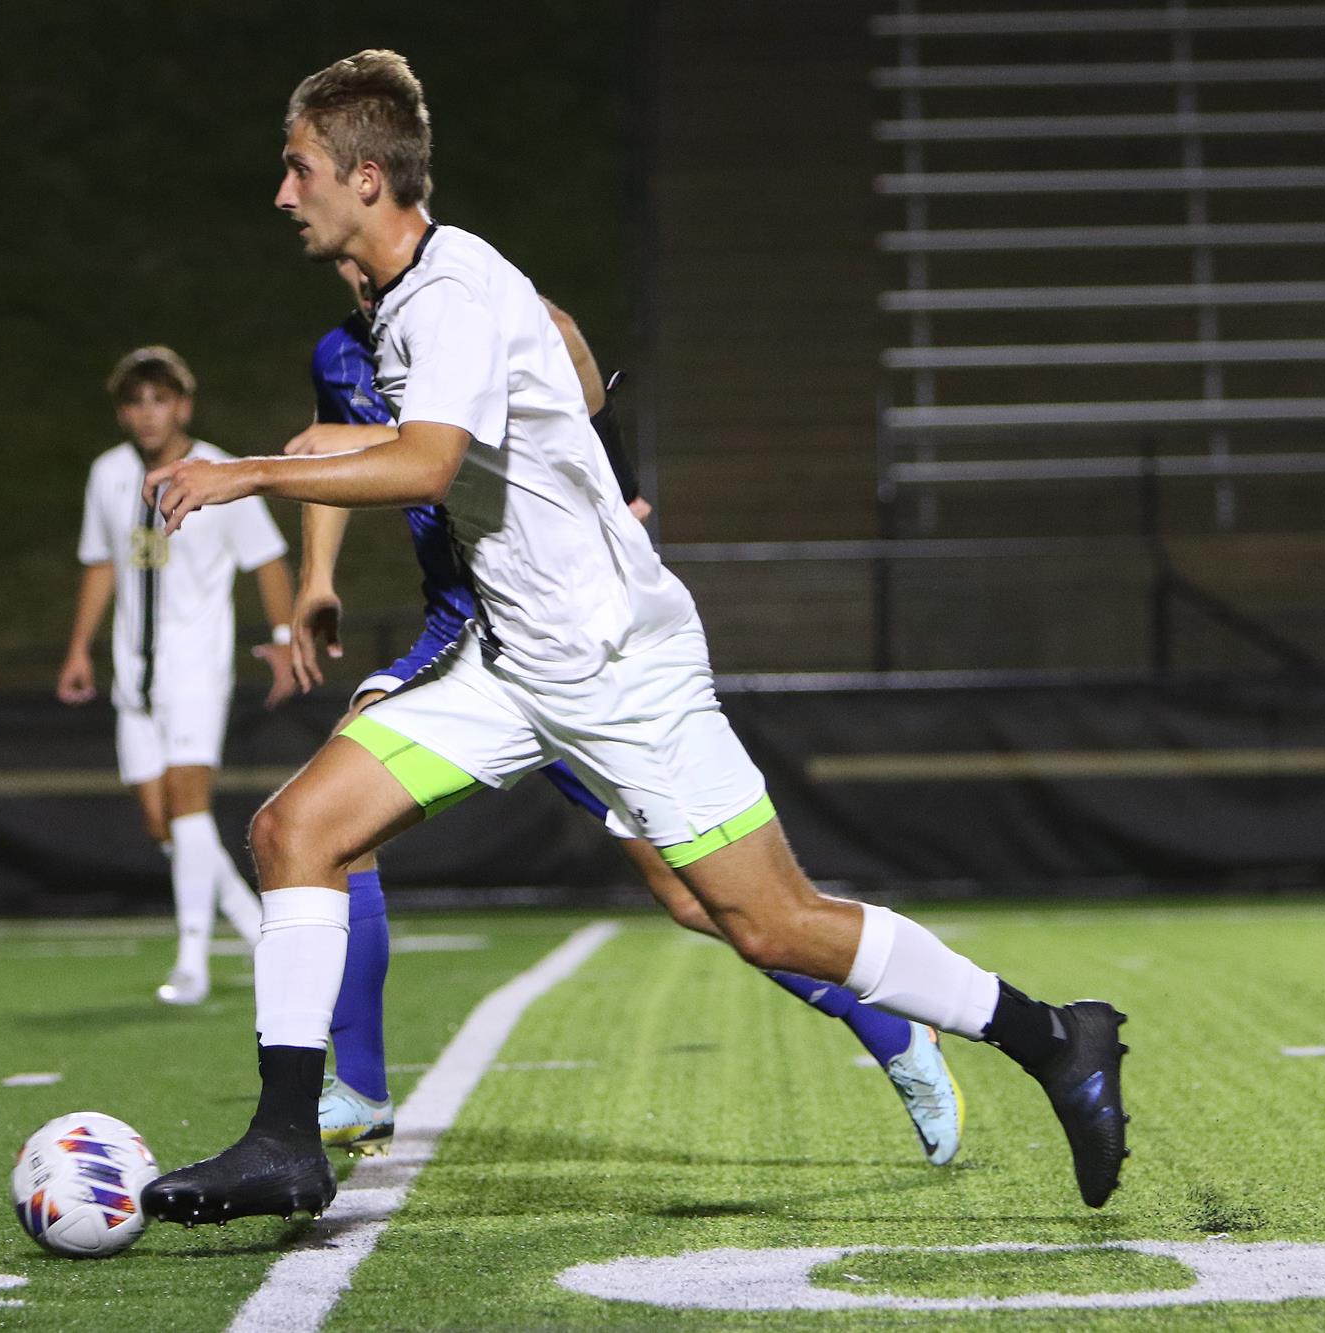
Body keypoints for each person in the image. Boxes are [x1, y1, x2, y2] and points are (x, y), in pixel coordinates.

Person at [139, 51, 1127, 1225]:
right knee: (294, 830)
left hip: (615, 668)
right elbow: (512, 409)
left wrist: (247, 470)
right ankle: (286, 1141)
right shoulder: (407, 300)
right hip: (510, 663)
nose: (280, 193)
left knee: (766, 920)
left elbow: (430, 462)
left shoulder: (451, 291)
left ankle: (1052, 1037)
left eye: (297, 168)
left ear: (364, 177)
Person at [291, 260, 961, 1167]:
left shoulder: (466, 301)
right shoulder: (341, 352)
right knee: (329, 823)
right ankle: (362, 1087)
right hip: (464, 630)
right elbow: (334, 459)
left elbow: (549, 359)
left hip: (571, 637)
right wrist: (317, 580)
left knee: (697, 897)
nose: (350, 268)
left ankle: (894, 1029)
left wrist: (619, 474)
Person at [59, 345, 298, 1006]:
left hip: (195, 666)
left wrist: (284, 638)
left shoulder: (218, 472)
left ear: (183, 406)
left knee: (189, 806)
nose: (147, 413)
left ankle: (193, 960)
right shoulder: (108, 474)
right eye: (135, 402)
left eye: (160, 400)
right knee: (161, 822)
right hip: (133, 672)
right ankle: (254, 925)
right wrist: (79, 648)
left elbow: (267, 558)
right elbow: (101, 562)